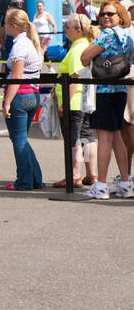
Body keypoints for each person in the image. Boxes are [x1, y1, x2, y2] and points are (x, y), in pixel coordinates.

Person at [80, 0, 134, 199]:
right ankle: (125, 183)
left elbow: (84, 57)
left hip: (104, 91)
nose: (105, 17)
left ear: (120, 16)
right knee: (117, 137)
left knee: (104, 138)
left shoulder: (106, 35)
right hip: (120, 89)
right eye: (103, 14)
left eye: (110, 14)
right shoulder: (126, 36)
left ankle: (101, 185)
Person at [0, 8, 45, 190]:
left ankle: (24, 180)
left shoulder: (19, 46)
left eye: (5, 23)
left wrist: (7, 102)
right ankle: (35, 178)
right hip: (32, 95)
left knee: (18, 140)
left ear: (13, 26)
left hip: (20, 95)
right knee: (22, 139)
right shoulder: (30, 43)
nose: (3, 27)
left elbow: (16, 77)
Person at [53, 13, 98, 188]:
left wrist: (64, 102)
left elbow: (74, 78)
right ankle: (91, 173)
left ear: (78, 30)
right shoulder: (86, 45)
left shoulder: (77, 49)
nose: (65, 29)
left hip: (73, 101)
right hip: (85, 100)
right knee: (87, 137)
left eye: (67, 27)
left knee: (73, 140)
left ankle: (74, 175)